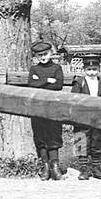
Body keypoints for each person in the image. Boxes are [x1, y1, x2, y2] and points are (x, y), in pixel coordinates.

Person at [27, 40, 65, 180]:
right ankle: (45, 167)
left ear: (51, 53)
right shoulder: (34, 69)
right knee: (40, 135)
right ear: (36, 56)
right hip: (37, 107)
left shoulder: (57, 68)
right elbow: (32, 84)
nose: (43, 57)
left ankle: (55, 166)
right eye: (40, 55)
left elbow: (59, 85)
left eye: (46, 54)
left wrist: (40, 81)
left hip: (53, 106)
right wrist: (49, 80)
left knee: (53, 134)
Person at [70, 51, 101, 180]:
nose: (92, 72)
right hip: (82, 116)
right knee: (82, 139)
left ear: (99, 69)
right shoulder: (79, 82)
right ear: (84, 69)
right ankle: (83, 168)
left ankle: (96, 167)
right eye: (89, 69)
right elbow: (74, 99)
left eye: (94, 69)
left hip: (98, 116)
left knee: (98, 139)